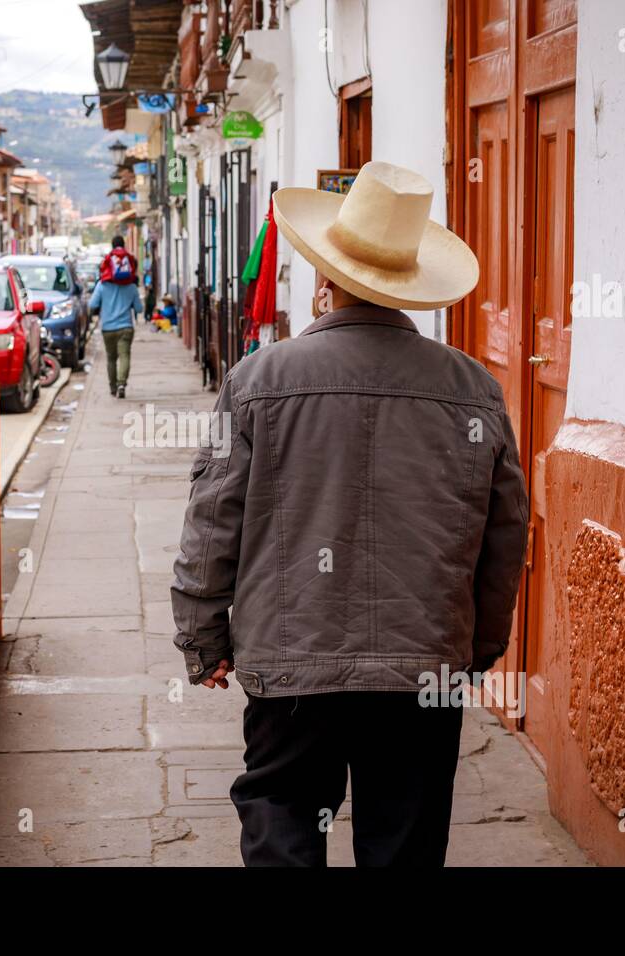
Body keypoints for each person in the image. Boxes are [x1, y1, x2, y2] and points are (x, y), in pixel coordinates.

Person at [170, 162, 529, 867]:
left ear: (324, 284)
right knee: (405, 839)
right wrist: (476, 647)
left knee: (282, 818)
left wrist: (202, 635)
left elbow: (212, 519)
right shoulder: (475, 391)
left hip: (293, 658)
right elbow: (504, 536)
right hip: (423, 662)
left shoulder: (257, 381)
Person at [89, 236, 144, 398]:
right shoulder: (131, 285)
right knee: (125, 356)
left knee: (111, 359)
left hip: (107, 328)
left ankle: (113, 388)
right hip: (126, 327)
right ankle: (122, 384)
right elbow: (139, 309)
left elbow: (92, 305)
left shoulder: (102, 284)